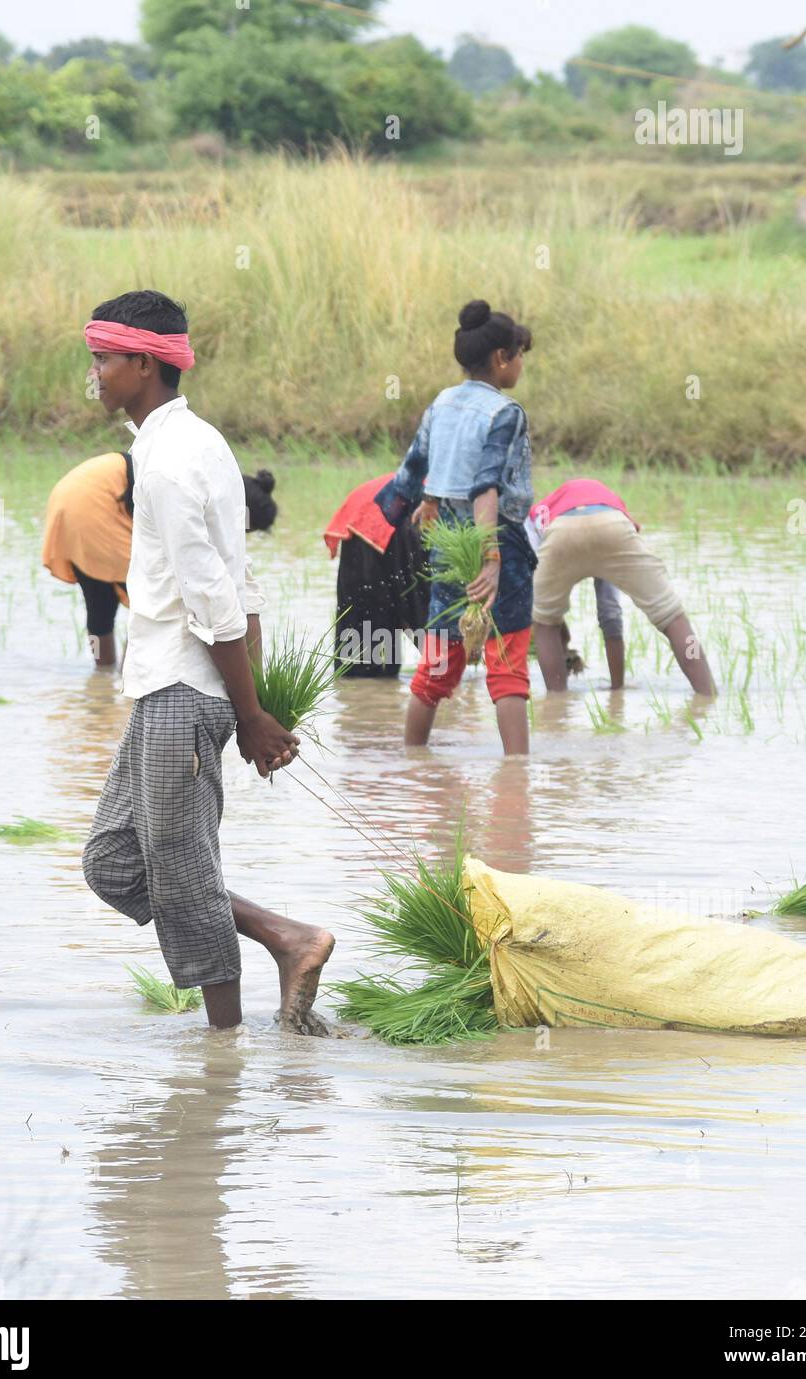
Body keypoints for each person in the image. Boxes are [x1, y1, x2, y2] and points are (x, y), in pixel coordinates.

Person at [78, 289, 333, 1034]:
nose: (93, 373)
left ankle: (222, 1052)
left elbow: (212, 592)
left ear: (145, 362)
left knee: (184, 870)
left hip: (187, 690)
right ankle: (283, 936)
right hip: (170, 686)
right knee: (114, 864)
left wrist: (248, 713)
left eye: (103, 359)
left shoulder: (167, 462)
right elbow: (238, 581)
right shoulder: (190, 443)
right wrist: (243, 701)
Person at [376, 299, 536, 755]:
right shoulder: (505, 413)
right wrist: (491, 558)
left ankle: (413, 759)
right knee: (507, 669)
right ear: (501, 359)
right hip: (495, 543)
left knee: (438, 665)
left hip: (447, 544)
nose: (521, 365)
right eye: (518, 355)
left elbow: (412, 469)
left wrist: (423, 502)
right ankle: (516, 779)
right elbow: (486, 486)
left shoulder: (441, 404)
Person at [43, 451, 278, 667]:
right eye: (245, 528)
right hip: (98, 506)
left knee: (99, 605)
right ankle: (131, 677)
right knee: (152, 602)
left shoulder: (197, 476)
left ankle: (101, 680)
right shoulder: (195, 488)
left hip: (67, 502)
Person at [528, 477, 716, 696]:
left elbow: (530, 574)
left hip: (559, 529)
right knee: (673, 618)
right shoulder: (613, 504)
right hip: (612, 525)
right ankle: (708, 695)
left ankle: (556, 701)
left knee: (545, 624)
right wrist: (617, 687)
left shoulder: (540, 511)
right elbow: (610, 612)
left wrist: (549, 620)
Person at [323, 473, 429, 677]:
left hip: (366, 513)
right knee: (436, 635)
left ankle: (368, 696)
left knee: (363, 645)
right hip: (390, 516)